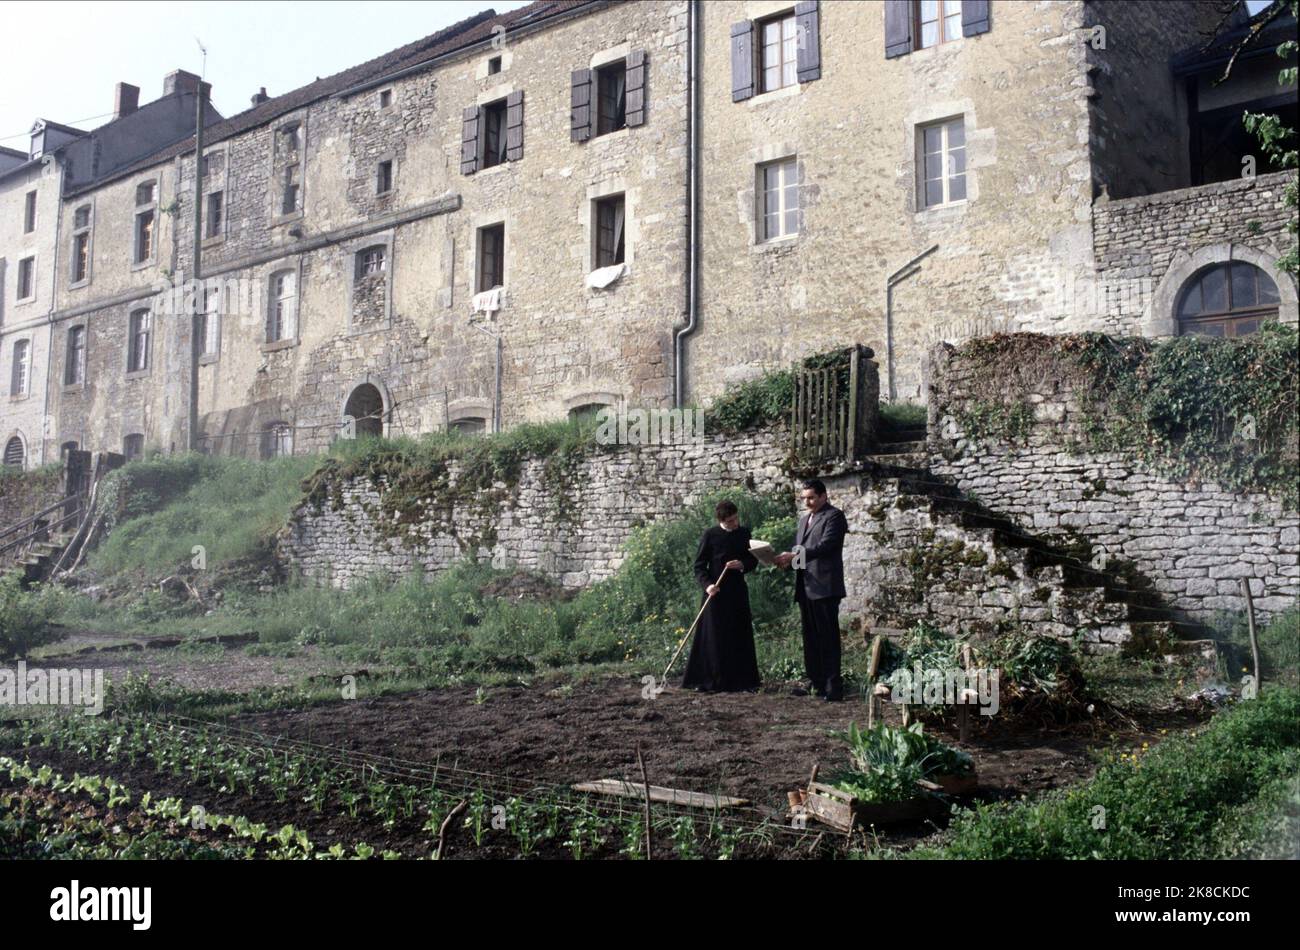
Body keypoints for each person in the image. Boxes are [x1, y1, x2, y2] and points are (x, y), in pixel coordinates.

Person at [775, 479, 848, 701]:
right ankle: (815, 682)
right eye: (804, 498)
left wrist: (795, 556)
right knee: (810, 638)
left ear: (824, 496)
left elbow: (826, 546)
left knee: (828, 638)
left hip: (825, 587)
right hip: (806, 587)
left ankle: (833, 687)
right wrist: (788, 563)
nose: (807, 502)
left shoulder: (835, 516)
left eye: (812, 497)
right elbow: (801, 551)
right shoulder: (804, 520)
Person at [681, 500, 761, 692]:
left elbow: (752, 560)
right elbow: (699, 566)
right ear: (722, 520)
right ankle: (713, 680)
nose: (735, 523)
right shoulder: (710, 535)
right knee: (714, 636)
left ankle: (742, 681)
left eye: (736, 518)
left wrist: (742, 564)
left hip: (737, 592)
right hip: (716, 593)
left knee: (739, 633)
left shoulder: (744, 533)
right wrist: (708, 585)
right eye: (731, 521)